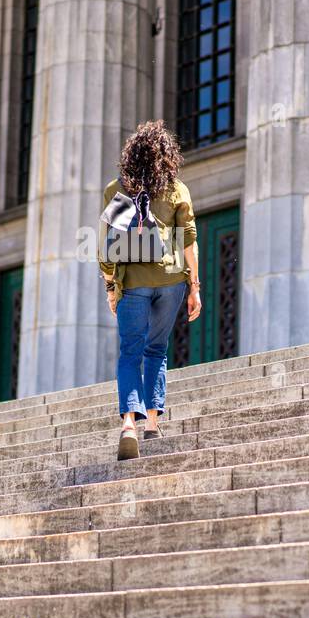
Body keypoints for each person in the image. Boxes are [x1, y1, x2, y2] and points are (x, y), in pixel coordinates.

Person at [98, 120, 202, 461]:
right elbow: (189, 240)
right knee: (156, 351)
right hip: (171, 281)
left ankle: (129, 423)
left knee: (130, 352)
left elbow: (105, 246)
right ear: (167, 156)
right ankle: (153, 425)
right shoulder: (177, 190)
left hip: (133, 282)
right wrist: (194, 287)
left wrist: (111, 285)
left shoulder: (119, 188)